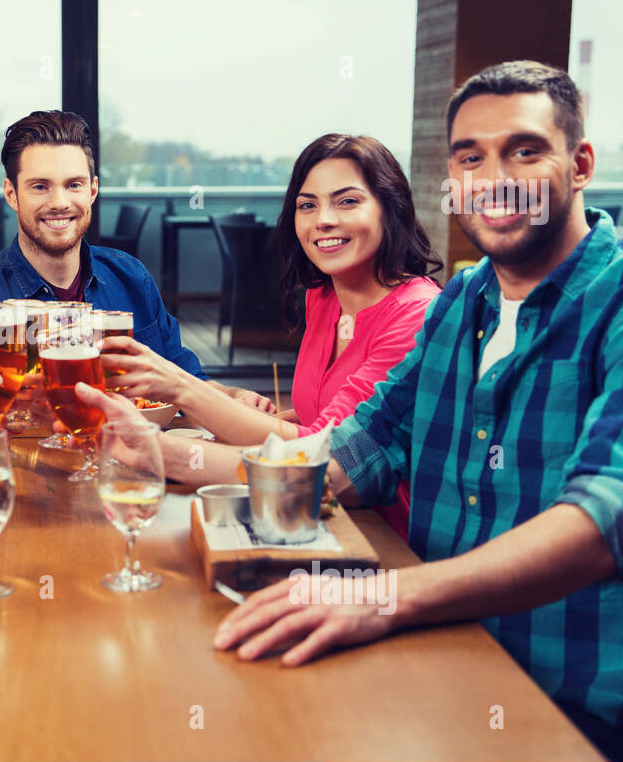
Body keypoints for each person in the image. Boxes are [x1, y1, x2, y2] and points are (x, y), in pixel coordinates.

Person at [78, 61, 623, 762]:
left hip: (587, 718)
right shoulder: (464, 302)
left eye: (524, 151)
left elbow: (602, 521)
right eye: (471, 157)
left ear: (581, 163)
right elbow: (346, 457)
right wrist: (158, 454)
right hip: (438, 657)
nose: (494, 176)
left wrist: (383, 597)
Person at [99, 134, 441, 537]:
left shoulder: (418, 314)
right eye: (307, 205)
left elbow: (324, 453)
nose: (323, 219)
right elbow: (331, 417)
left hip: (379, 535)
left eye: (347, 201)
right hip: (301, 517)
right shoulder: (324, 295)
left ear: (391, 208)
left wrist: (181, 390)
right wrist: (251, 416)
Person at [0, 109, 264, 406]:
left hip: (137, 461)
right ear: (12, 194)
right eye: (40, 187)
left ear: (92, 190)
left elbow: (183, 375)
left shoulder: (132, 276)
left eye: (73, 184)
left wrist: (231, 397)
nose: (60, 202)